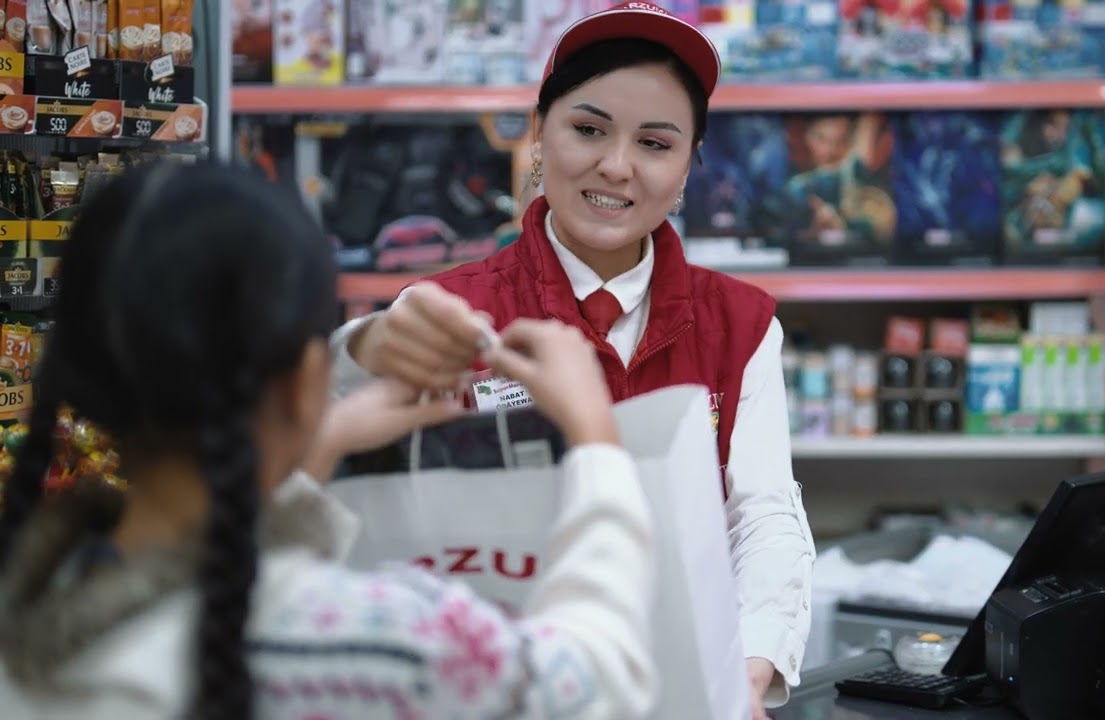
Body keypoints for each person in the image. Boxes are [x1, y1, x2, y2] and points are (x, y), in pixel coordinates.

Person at [0, 162, 659, 719]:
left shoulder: (36, 609)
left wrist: (319, 445)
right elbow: (594, 680)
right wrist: (595, 436)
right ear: (306, 382)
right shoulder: (385, 643)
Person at [332, 3, 816, 714]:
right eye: (588, 129)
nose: (615, 167)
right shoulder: (444, 312)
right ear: (538, 133)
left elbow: (763, 512)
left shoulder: (739, 323)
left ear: (687, 168)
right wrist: (361, 349)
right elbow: (332, 474)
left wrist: (747, 661)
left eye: (655, 144)